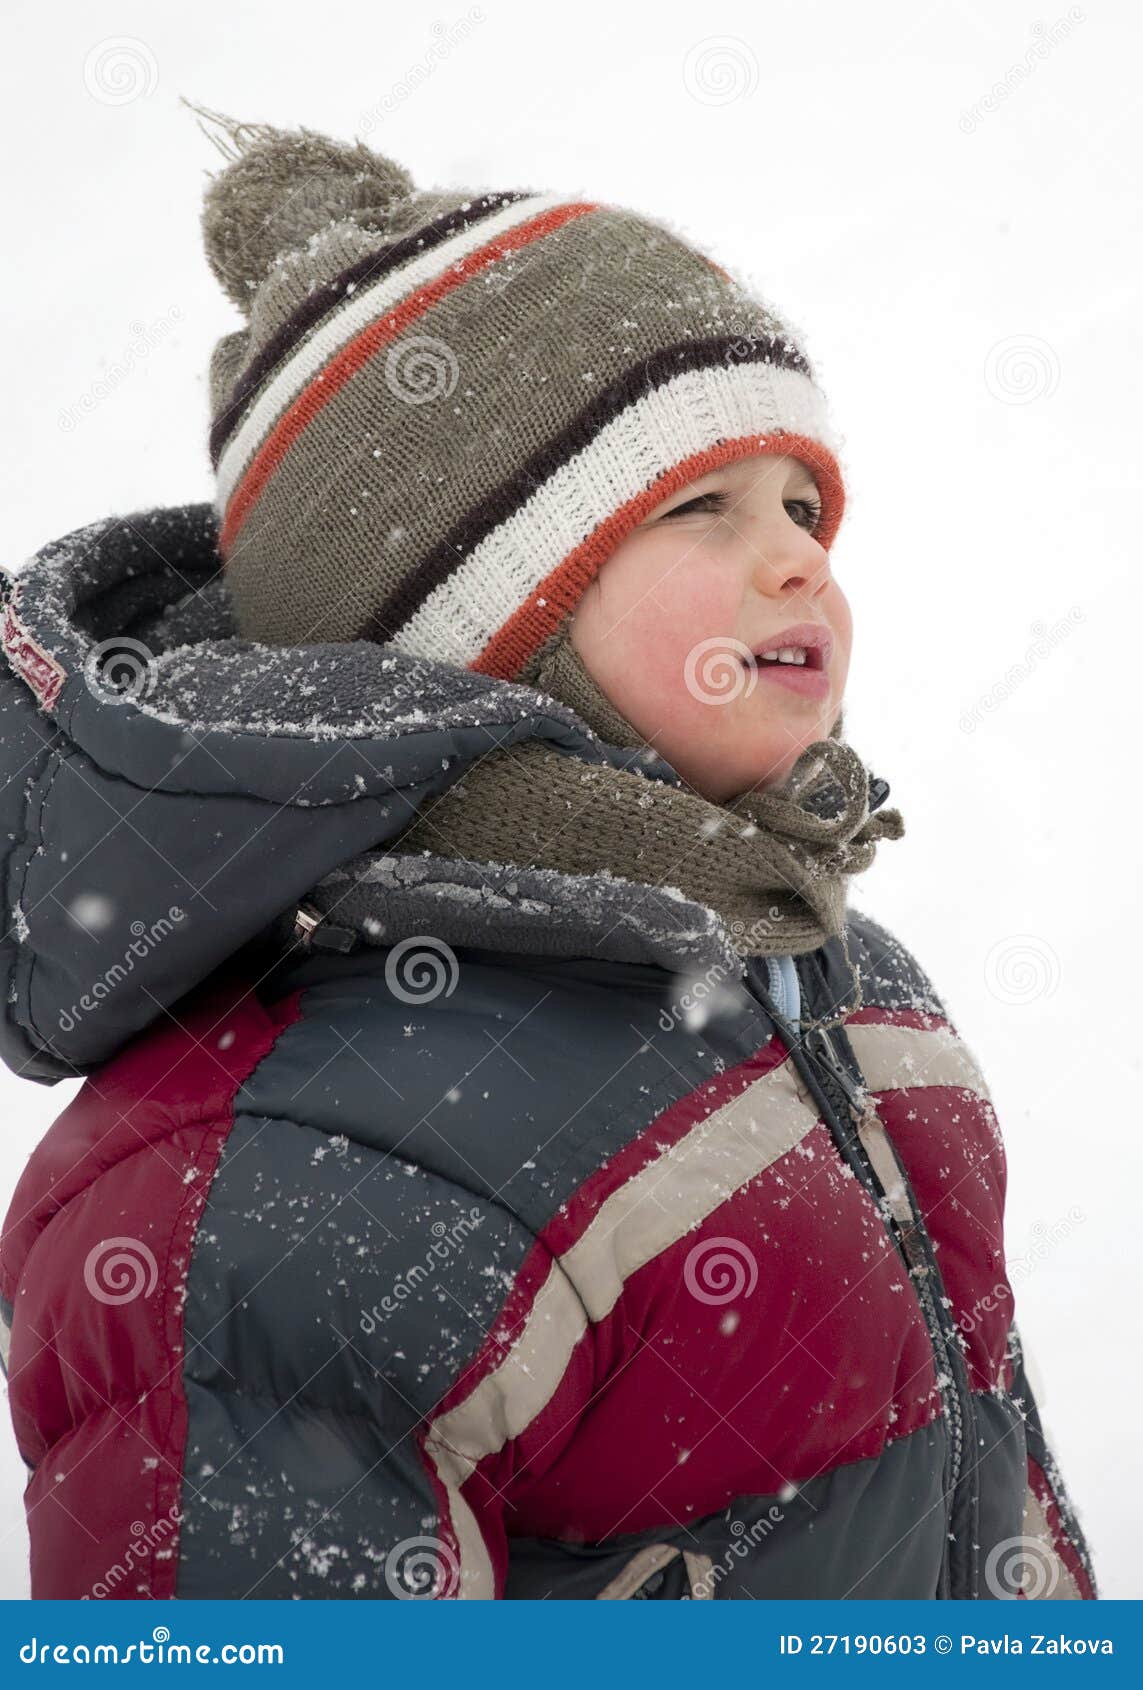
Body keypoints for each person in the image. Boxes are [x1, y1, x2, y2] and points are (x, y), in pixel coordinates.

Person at [0, 106, 1095, 1601]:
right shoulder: (273, 1163)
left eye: (803, 504)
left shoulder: (838, 970)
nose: (799, 558)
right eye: (700, 506)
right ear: (473, 618)